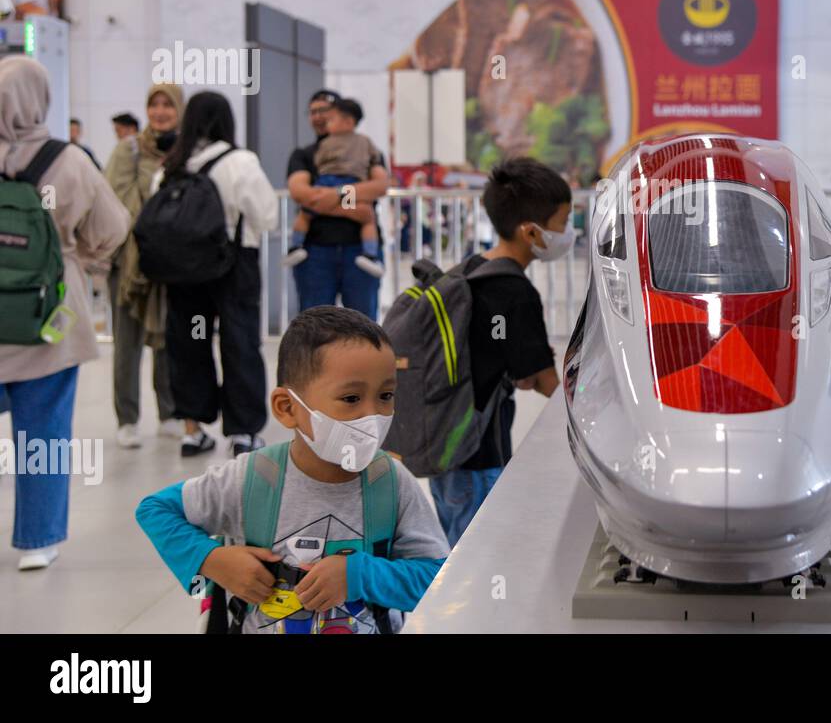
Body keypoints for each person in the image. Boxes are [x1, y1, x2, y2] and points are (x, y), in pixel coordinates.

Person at [135, 306, 449, 633]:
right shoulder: (251, 478)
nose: (372, 415)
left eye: (386, 396)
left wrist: (359, 576)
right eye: (351, 398)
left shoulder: (392, 484)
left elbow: (439, 579)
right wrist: (212, 560)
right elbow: (155, 510)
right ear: (288, 408)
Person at [0, 57, 130, 570]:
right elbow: (113, 226)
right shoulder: (69, 160)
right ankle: (38, 541)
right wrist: (81, 262)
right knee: (44, 431)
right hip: (49, 316)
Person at [427, 157, 569, 545]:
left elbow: (493, 348)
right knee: (476, 554)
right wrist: (581, 412)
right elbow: (543, 380)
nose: (567, 232)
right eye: (562, 222)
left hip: (448, 448)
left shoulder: (472, 268)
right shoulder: (515, 292)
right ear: (531, 232)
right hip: (480, 453)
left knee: (455, 541)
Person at [157, 91, 279, 458]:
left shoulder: (172, 165)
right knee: (238, 342)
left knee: (188, 344)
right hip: (233, 265)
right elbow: (267, 215)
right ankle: (243, 432)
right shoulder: (239, 161)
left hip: (183, 271)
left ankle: (193, 430)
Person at [104, 83, 184, 448]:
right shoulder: (130, 149)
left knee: (168, 339)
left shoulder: (186, 150)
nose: (161, 112)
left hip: (170, 261)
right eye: (155, 105)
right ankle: (128, 419)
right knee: (127, 341)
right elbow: (115, 199)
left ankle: (169, 412)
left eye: (169, 105)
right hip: (131, 263)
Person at [286, 91, 389, 320]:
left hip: (358, 251)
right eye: (313, 112)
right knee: (315, 326)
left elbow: (379, 186)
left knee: (363, 325)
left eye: (325, 111)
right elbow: (300, 192)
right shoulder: (305, 154)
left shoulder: (366, 147)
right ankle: (294, 246)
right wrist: (351, 206)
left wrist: (335, 195)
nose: (319, 117)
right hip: (315, 251)